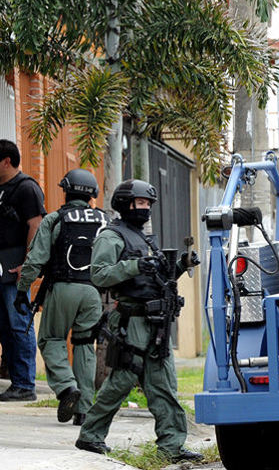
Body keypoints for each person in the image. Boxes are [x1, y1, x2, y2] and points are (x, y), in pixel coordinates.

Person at [75, 179, 201, 462]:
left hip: (155, 322)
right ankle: (90, 435)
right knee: (122, 380)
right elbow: (99, 274)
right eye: (141, 203)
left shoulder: (144, 239)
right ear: (126, 204)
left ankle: (171, 446)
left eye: (148, 204)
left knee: (163, 382)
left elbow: (155, 278)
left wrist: (181, 264)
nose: (145, 209)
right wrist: (134, 265)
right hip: (131, 321)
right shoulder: (111, 236)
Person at [15, 169, 108, 424]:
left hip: (63, 287)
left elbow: (35, 260)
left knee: (51, 339)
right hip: (93, 292)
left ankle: (67, 387)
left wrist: (22, 290)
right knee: (84, 345)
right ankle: (84, 410)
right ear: (92, 194)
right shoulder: (105, 220)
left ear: (66, 191)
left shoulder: (55, 219)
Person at [0, 139, 45, 402]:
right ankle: (16, 381)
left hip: (15, 265)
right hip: (2, 265)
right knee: (5, 325)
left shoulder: (26, 188)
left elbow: (36, 226)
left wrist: (27, 265)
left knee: (19, 323)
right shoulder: (2, 189)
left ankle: (26, 385)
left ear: (6, 161)